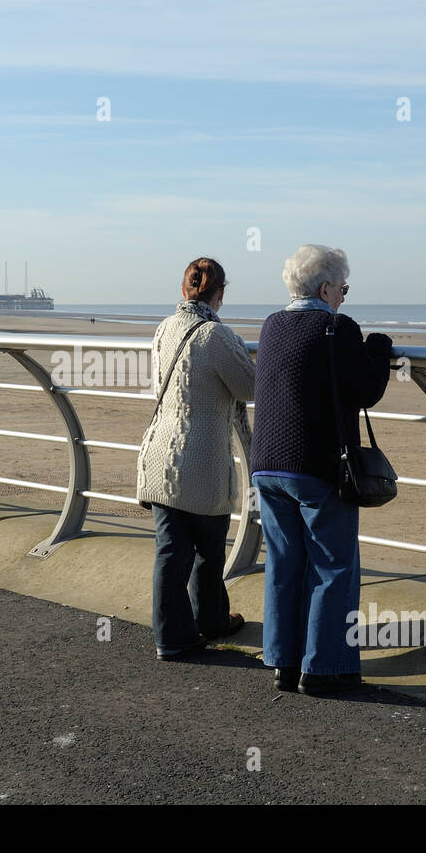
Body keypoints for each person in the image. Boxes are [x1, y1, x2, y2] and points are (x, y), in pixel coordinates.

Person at [249, 245, 393, 695]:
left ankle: (283, 663)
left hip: (266, 464)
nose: (344, 298)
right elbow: (366, 389)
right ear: (326, 287)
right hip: (316, 465)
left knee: (284, 564)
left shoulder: (271, 325)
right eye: (343, 289)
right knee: (333, 567)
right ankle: (324, 668)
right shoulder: (337, 326)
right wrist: (380, 348)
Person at [137, 257, 255, 660]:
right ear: (219, 293)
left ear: (184, 289)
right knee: (207, 547)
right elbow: (249, 386)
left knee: (172, 549)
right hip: (199, 460)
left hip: (159, 454)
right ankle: (198, 627)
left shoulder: (164, 328)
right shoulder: (215, 336)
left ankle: (179, 632)